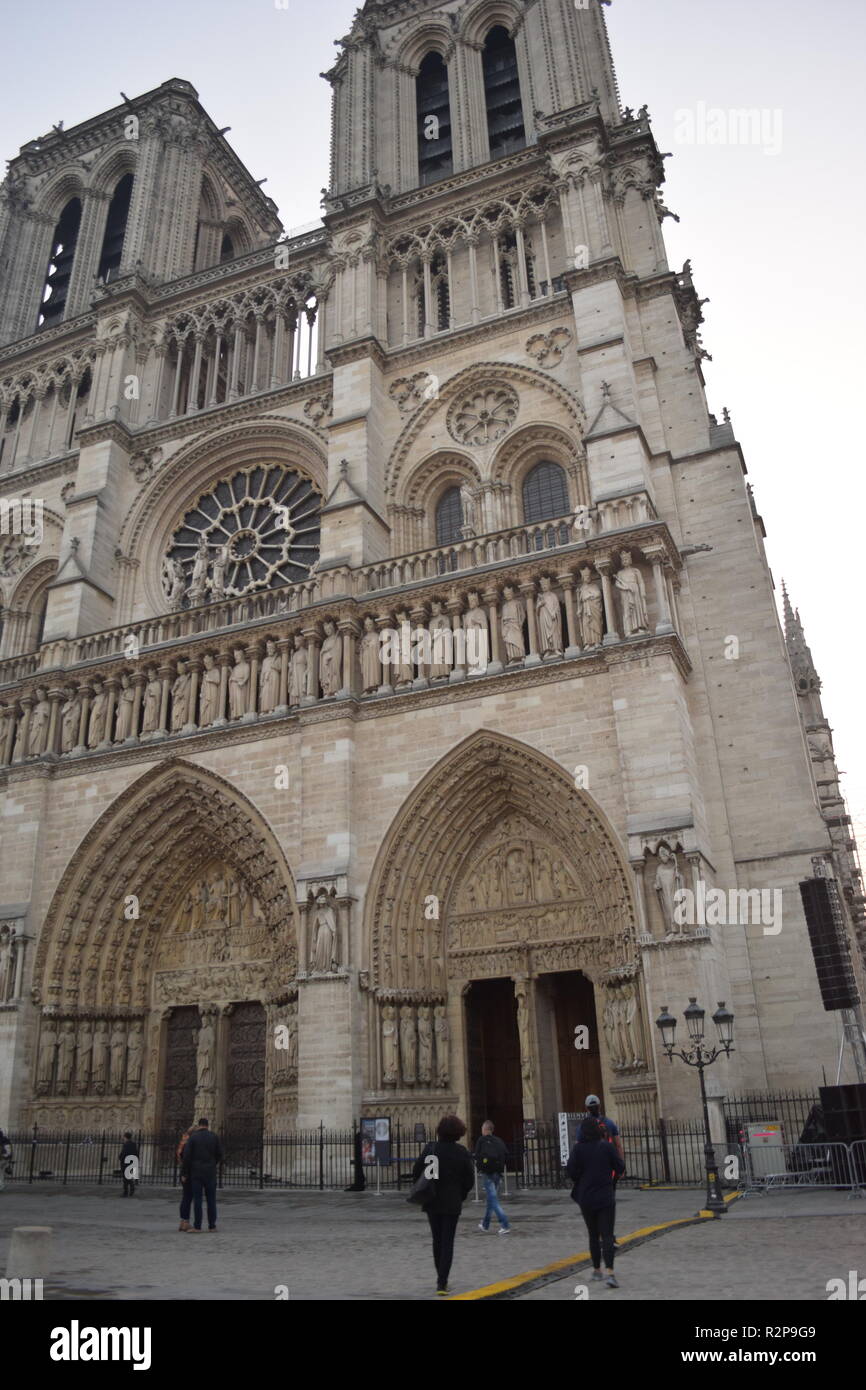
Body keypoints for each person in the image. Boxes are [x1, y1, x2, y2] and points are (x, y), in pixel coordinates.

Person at [412, 1114, 475, 1296]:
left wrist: (424, 1190)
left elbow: (416, 1171)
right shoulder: (461, 1152)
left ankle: (440, 1278)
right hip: (452, 1202)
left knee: (437, 1240)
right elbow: (469, 1180)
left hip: (432, 1201)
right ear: (458, 1132)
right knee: (448, 1242)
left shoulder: (431, 1149)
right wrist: (460, 1195)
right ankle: (442, 1282)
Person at [566, 1117, 625, 1288]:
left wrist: (583, 1179)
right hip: (605, 1196)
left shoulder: (578, 1149)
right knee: (607, 1235)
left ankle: (596, 1270)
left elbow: (571, 1172)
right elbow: (620, 1167)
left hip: (586, 1198)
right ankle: (611, 1273)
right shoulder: (606, 1147)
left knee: (593, 1235)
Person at [182, 1117, 223, 1233]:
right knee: (211, 1200)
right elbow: (220, 1154)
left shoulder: (193, 1137)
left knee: (198, 1200)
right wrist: (212, 1164)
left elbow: (187, 1156)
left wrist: (185, 1173)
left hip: (196, 1173)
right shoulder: (214, 1137)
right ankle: (212, 1226)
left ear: (199, 1125)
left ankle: (197, 1226)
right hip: (210, 1172)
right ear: (207, 1125)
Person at [473, 1120, 510, 1234]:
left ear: (485, 1130)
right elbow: (506, 1154)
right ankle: (485, 1224)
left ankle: (505, 1224)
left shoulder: (482, 1140)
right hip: (498, 1174)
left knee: (493, 1200)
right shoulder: (499, 1141)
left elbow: (477, 1155)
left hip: (487, 1173)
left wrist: (479, 1166)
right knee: (491, 1199)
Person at [176, 1121, 199, 1232]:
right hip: (189, 1173)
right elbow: (186, 1159)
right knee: (189, 1198)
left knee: (186, 1197)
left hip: (184, 1172)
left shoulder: (183, 1142)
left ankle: (183, 1221)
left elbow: (179, 1157)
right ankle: (185, 1222)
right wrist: (185, 1173)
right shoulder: (190, 1143)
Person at [119, 1131, 139, 1197]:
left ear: (125, 1137)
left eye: (124, 1137)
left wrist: (120, 1158)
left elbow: (124, 1153)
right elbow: (136, 1153)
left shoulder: (126, 1144)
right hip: (132, 1161)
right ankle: (131, 1189)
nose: (123, 1138)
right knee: (129, 1177)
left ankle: (126, 1192)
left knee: (125, 1178)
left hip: (126, 1162)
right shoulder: (134, 1144)